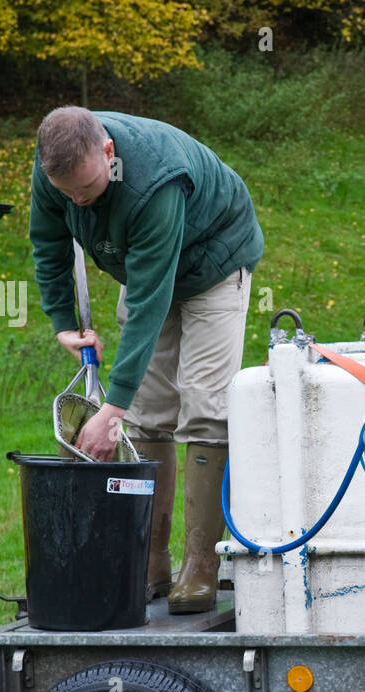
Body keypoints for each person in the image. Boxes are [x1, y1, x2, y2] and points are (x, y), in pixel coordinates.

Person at [30, 106, 263, 614]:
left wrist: (111, 407)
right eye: (67, 191)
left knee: (203, 406)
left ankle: (200, 567)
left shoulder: (155, 181)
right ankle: (150, 560)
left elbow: (150, 302)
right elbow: (48, 241)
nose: (77, 199)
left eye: (86, 188)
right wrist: (61, 320)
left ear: (108, 154)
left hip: (213, 263)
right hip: (143, 266)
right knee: (148, 414)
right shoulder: (56, 163)